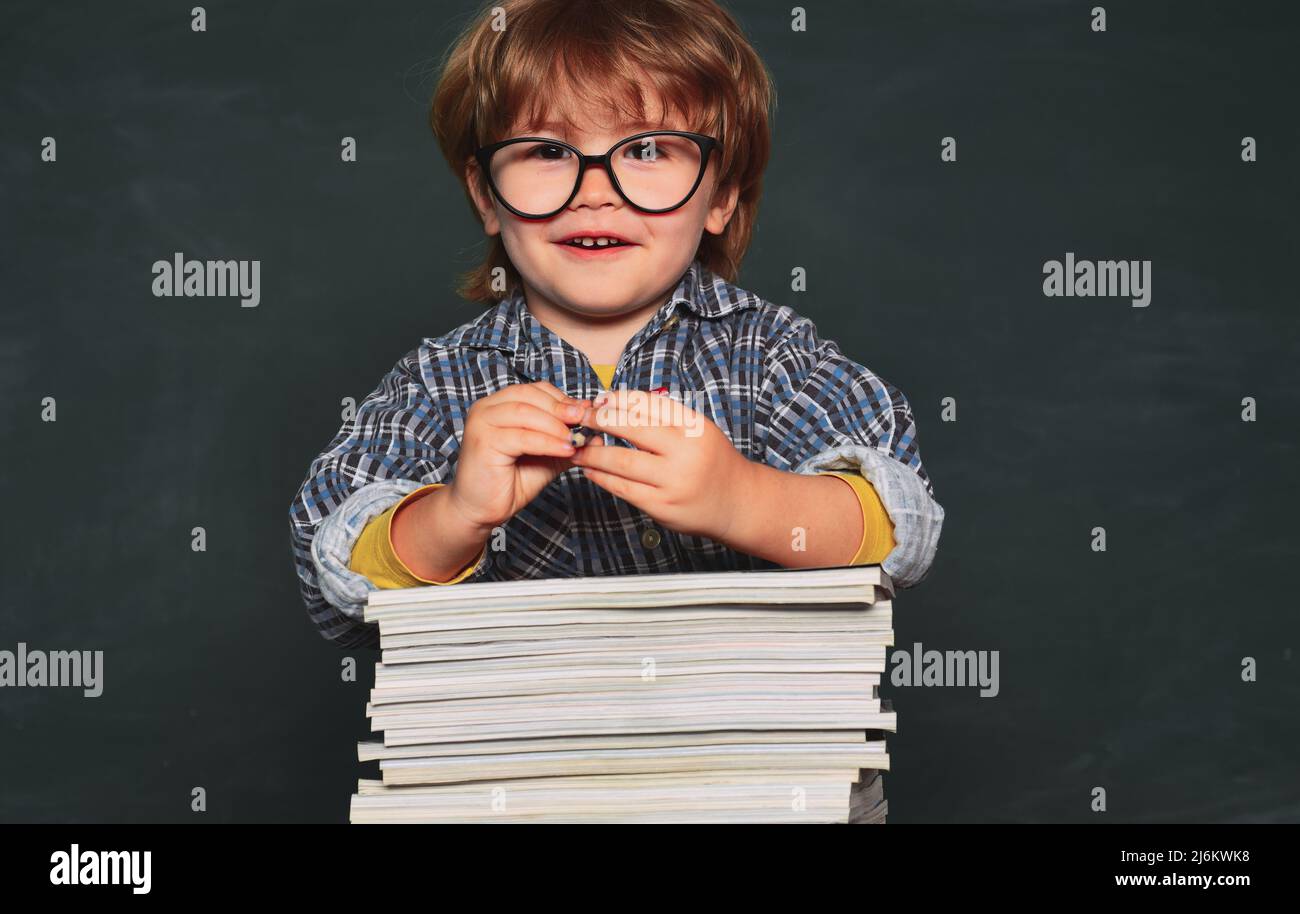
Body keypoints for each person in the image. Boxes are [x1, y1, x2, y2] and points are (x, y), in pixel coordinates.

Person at [288, 0, 945, 823]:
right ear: (486, 195)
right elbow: (333, 564)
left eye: (647, 150)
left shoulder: (775, 358)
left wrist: (745, 499)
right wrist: (452, 515)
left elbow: (902, 520)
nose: (594, 193)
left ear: (721, 197)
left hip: (761, 794)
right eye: (545, 152)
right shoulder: (436, 384)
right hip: (519, 801)